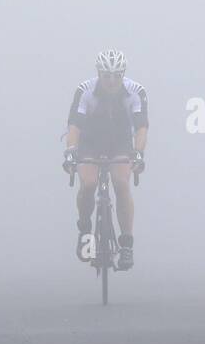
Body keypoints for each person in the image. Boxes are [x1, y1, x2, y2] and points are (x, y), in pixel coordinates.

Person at [63, 49, 147, 269]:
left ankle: (126, 244)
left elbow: (141, 127)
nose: (111, 81)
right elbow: (74, 125)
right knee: (88, 184)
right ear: (98, 73)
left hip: (119, 142)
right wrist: (71, 150)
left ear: (123, 74)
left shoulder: (136, 91)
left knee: (121, 183)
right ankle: (85, 230)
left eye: (117, 76)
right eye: (106, 76)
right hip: (90, 142)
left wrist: (138, 152)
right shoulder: (85, 91)